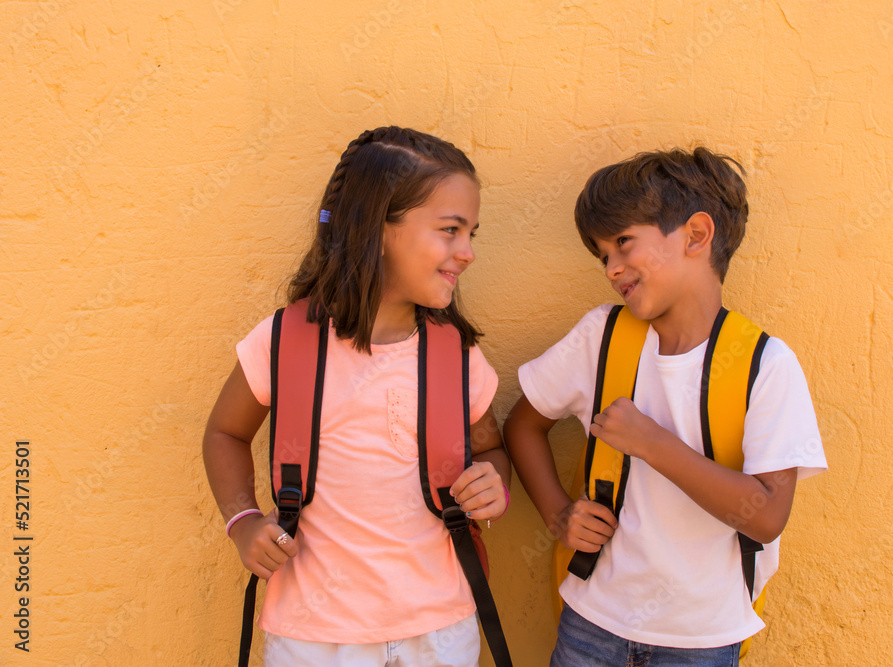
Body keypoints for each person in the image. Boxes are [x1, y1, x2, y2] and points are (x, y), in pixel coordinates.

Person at [505, 147, 828, 666]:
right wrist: (558, 513)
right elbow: (523, 425)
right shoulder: (601, 338)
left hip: (702, 640)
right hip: (594, 622)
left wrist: (653, 444)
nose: (611, 268)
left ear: (696, 236)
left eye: (623, 244)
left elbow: (766, 516)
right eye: (601, 254)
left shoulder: (766, 364)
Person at [202, 126, 510, 666]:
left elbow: (490, 448)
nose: (467, 252)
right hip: (313, 634)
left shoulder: (454, 356)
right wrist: (242, 521)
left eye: (473, 234)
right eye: (450, 230)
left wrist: (494, 481)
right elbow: (225, 433)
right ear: (378, 228)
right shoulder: (284, 342)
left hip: (439, 629)